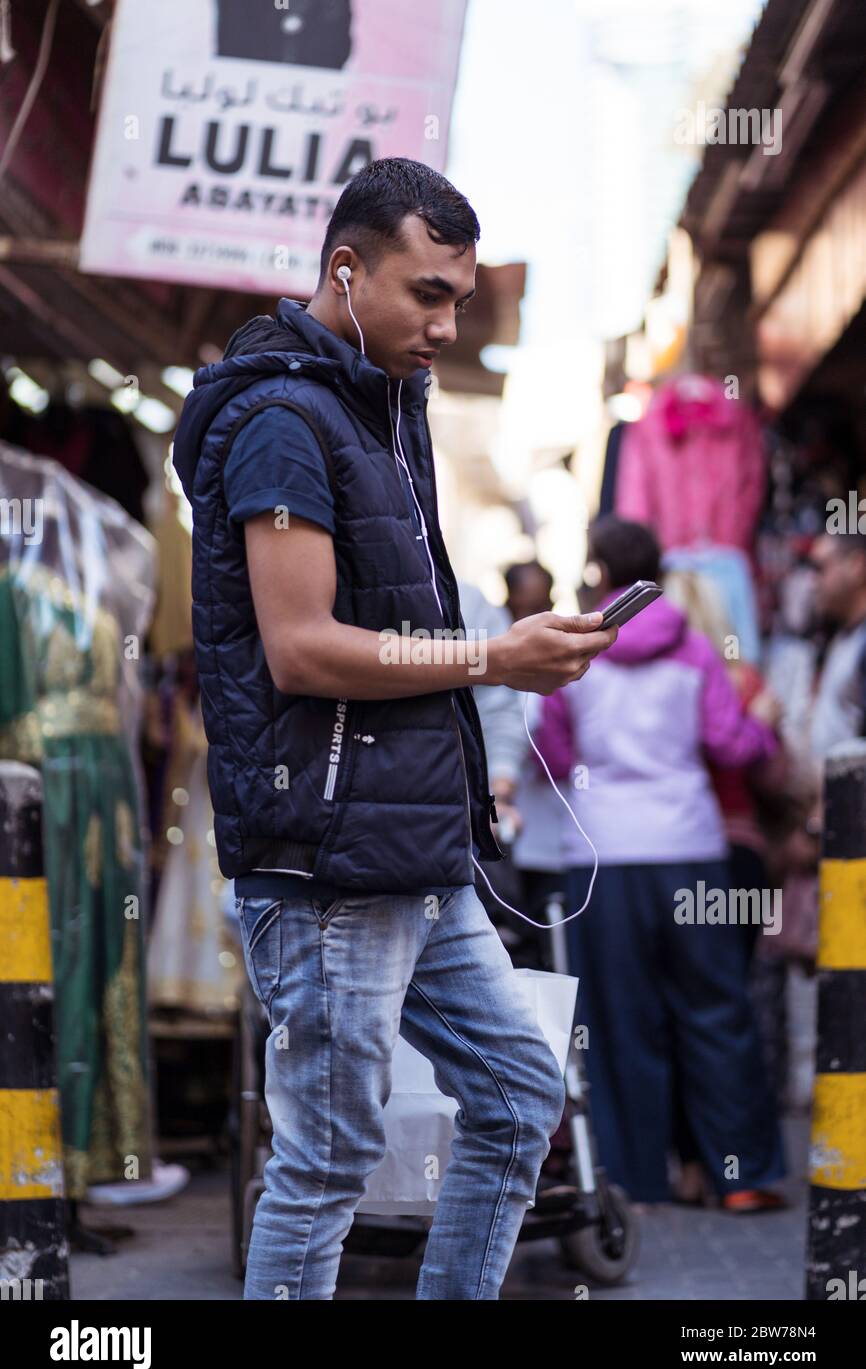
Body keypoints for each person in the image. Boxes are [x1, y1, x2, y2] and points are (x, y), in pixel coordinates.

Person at [171, 157, 618, 1300]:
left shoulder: (385, 407)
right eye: (426, 292)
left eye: (457, 297)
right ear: (344, 269)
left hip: (414, 851)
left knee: (520, 1094)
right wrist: (496, 658)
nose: (446, 321)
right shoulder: (281, 421)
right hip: (326, 864)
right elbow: (302, 647)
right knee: (324, 1165)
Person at [532, 515, 788, 1211]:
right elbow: (731, 745)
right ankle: (742, 1178)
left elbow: (552, 756)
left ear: (598, 572)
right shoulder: (698, 649)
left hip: (606, 857)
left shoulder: (574, 652)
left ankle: (633, 1182)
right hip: (691, 850)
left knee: (620, 1023)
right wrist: (764, 722)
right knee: (716, 1012)